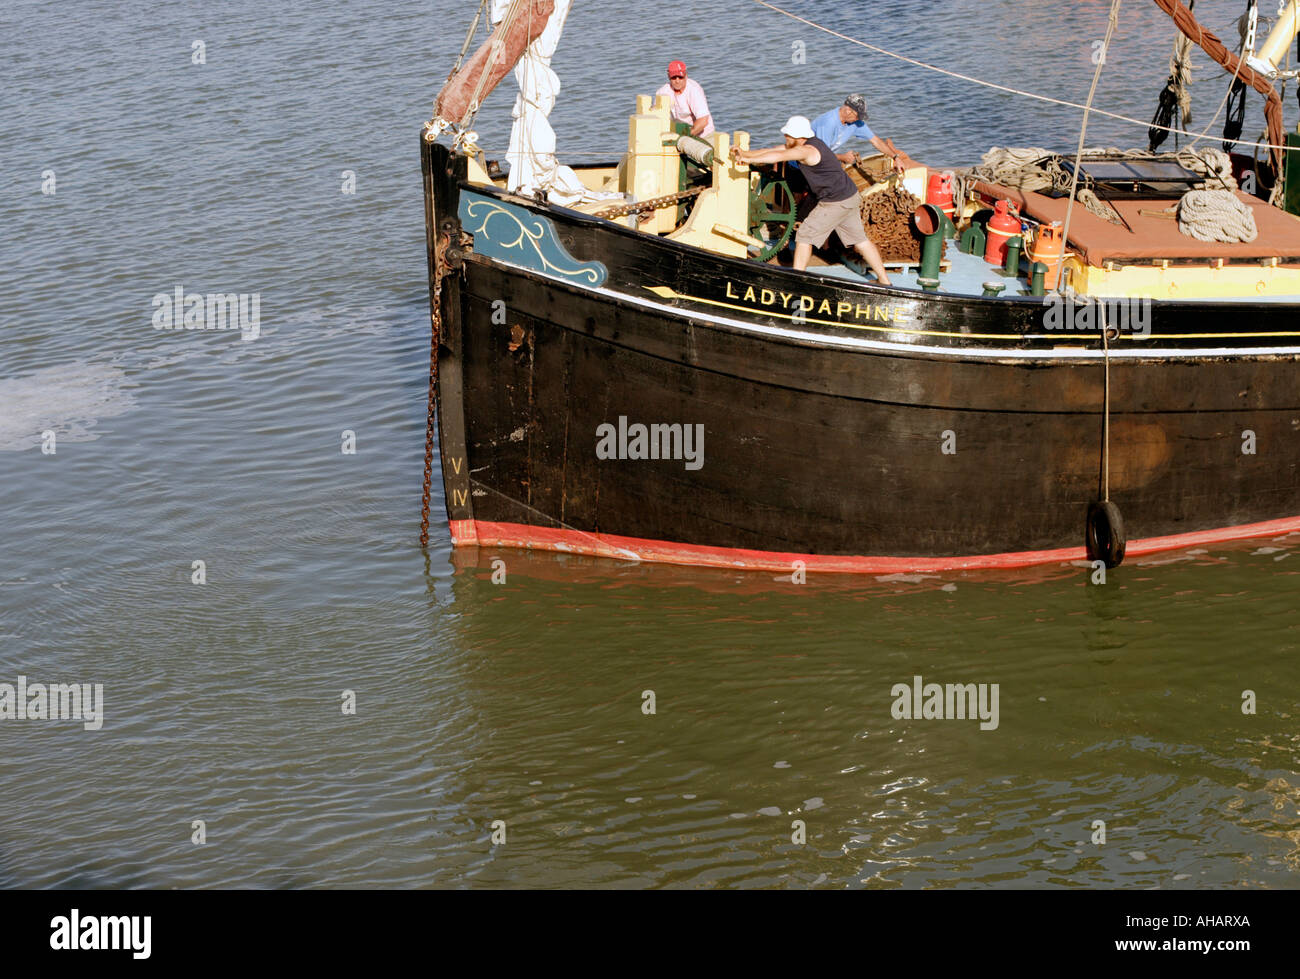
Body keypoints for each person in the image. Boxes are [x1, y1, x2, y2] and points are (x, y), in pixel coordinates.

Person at [731, 115, 891, 284]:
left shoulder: (806, 151)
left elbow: (776, 157)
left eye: (788, 135)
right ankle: (885, 281)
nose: (785, 137)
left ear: (799, 137)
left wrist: (748, 160)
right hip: (849, 195)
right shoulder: (811, 143)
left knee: (805, 235)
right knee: (860, 240)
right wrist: (745, 153)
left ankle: (797, 280)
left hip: (835, 201)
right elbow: (774, 150)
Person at [811, 94, 904, 171]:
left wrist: (896, 157)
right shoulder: (828, 123)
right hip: (807, 162)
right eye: (858, 116)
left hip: (824, 158)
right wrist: (842, 157)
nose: (859, 119)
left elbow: (876, 141)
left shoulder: (855, 122)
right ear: (848, 111)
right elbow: (820, 154)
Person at [656, 60, 714, 138]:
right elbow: (657, 116)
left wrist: (687, 137)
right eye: (674, 77)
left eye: (680, 77)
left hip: (704, 134)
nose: (677, 81)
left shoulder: (694, 90)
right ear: (669, 77)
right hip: (680, 133)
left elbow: (703, 120)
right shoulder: (662, 92)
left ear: (686, 76)